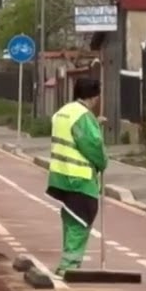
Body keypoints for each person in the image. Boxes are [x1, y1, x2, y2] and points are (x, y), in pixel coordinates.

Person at [46, 76, 108, 276]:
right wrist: (102, 162)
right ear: (94, 97)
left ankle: (67, 263)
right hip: (79, 178)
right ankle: (70, 266)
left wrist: (94, 123)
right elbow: (92, 145)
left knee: (71, 217)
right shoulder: (83, 116)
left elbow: (74, 134)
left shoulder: (62, 112)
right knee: (82, 218)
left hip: (60, 176)